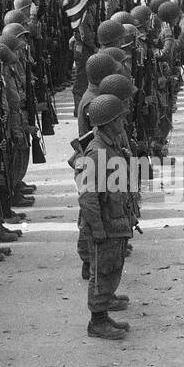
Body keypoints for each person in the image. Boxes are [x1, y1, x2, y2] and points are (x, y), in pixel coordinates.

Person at [75, 93, 133, 339]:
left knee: (112, 268)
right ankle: (97, 321)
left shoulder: (110, 146)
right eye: (119, 120)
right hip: (104, 222)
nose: (123, 124)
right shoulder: (97, 152)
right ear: (109, 123)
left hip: (115, 219)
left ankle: (103, 313)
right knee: (102, 271)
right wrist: (97, 227)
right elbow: (87, 196)